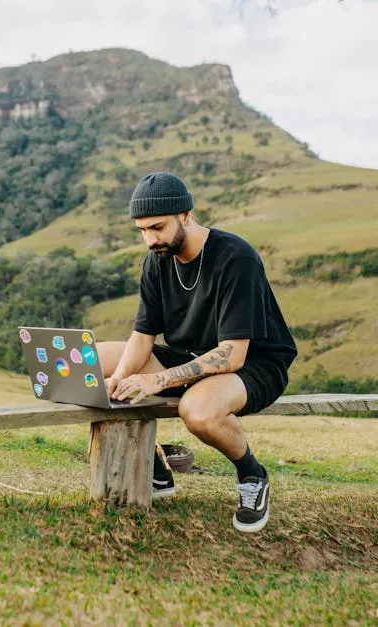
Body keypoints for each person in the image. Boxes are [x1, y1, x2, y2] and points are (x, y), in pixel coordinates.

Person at [99, 171, 297, 533]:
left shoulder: (237, 258)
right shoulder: (157, 258)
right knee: (93, 362)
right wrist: (120, 378)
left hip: (253, 364)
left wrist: (157, 379)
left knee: (199, 411)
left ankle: (252, 474)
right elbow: (143, 336)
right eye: (142, 230)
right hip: (187, 355)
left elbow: (232, 355)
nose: (149, 239)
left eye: (157, 227)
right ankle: (155, 464)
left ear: (186, 215)